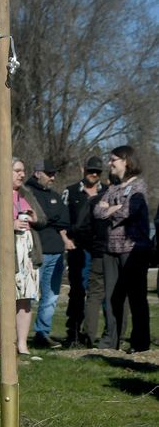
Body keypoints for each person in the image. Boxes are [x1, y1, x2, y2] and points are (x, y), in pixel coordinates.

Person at [0, 157, 45, 356]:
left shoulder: (26, 194)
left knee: (25, 299)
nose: (22, 174)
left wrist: (35, 218)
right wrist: (8, 225)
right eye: (17, 171)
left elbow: (42, 219)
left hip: (27, 255)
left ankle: (22, 344)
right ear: (5, 172)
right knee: (0, 298)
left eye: (23, 171)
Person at [94, 145, 152, 353]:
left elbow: (128, 211)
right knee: (112, 298)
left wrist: (110, 210)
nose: (110, 163)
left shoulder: (139, 186)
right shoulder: (113, 188)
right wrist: (113, 208)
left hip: (133, 249)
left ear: (126, 161)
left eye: (113, 160)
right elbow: (97, 211)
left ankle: (140, 343)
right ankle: (110, 342)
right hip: (111, 249)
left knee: (136, 297)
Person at [60, 156, 107, 347]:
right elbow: (61, 219)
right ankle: (73, 333)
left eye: (97, 172)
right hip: (77, 247)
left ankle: (104, 334)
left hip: (99, 249)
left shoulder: (107, 192)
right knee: (77, 290)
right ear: (83, 169)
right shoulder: (70, 192)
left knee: (100, 292)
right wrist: (66, 239)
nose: (94, 174)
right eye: (90, 170)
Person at [25, 160, 71, 349]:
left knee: (51, 296)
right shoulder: (26, 192)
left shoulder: (55, 195)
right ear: (37, 173)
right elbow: (34, 218)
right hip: (34, 252)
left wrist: (44, 219)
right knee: (27, 295)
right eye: (49, 174)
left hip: (56, 251)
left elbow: (64, 219)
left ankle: (42, 333)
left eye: (54, 174)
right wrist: (45, 219)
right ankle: (18, 335)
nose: (52, 177)